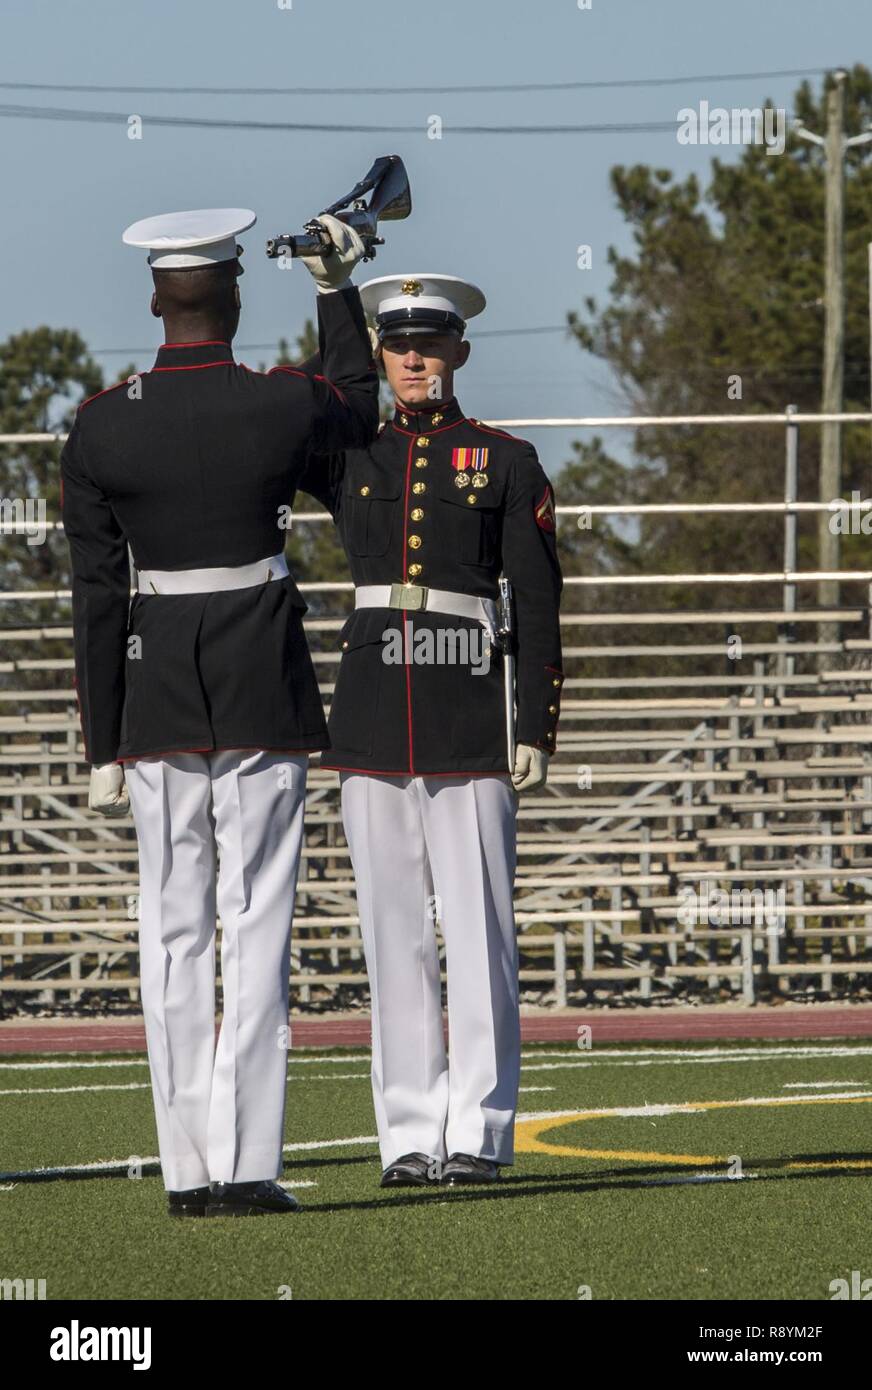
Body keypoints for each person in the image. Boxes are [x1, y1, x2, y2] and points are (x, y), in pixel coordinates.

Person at [60, 206, 379, 1217]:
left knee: (172, 930)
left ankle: (186, 1171)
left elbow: (97, 594)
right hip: (259, 684)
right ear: (234, 295)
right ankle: (245, 1167)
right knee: (255, 927)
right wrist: (334, 288)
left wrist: (101, 735)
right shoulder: (280, 405)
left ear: (156, 298)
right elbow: (360, 407)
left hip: (154, 693)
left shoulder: (103, 420)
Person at [298, 273, 563, 1187]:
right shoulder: (350, 454)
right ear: (381, 356)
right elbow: (329, 402)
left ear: (461, 352)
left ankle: (482, 1133)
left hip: (470, 712)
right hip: (372, 712)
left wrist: (536, 719)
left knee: (481, 933)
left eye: (432, 344)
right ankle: (409, 1135)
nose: (416, 359)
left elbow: (536, 598)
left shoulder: (506, 459)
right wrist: (335, 294)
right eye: (398, 345)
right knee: (394, 933)